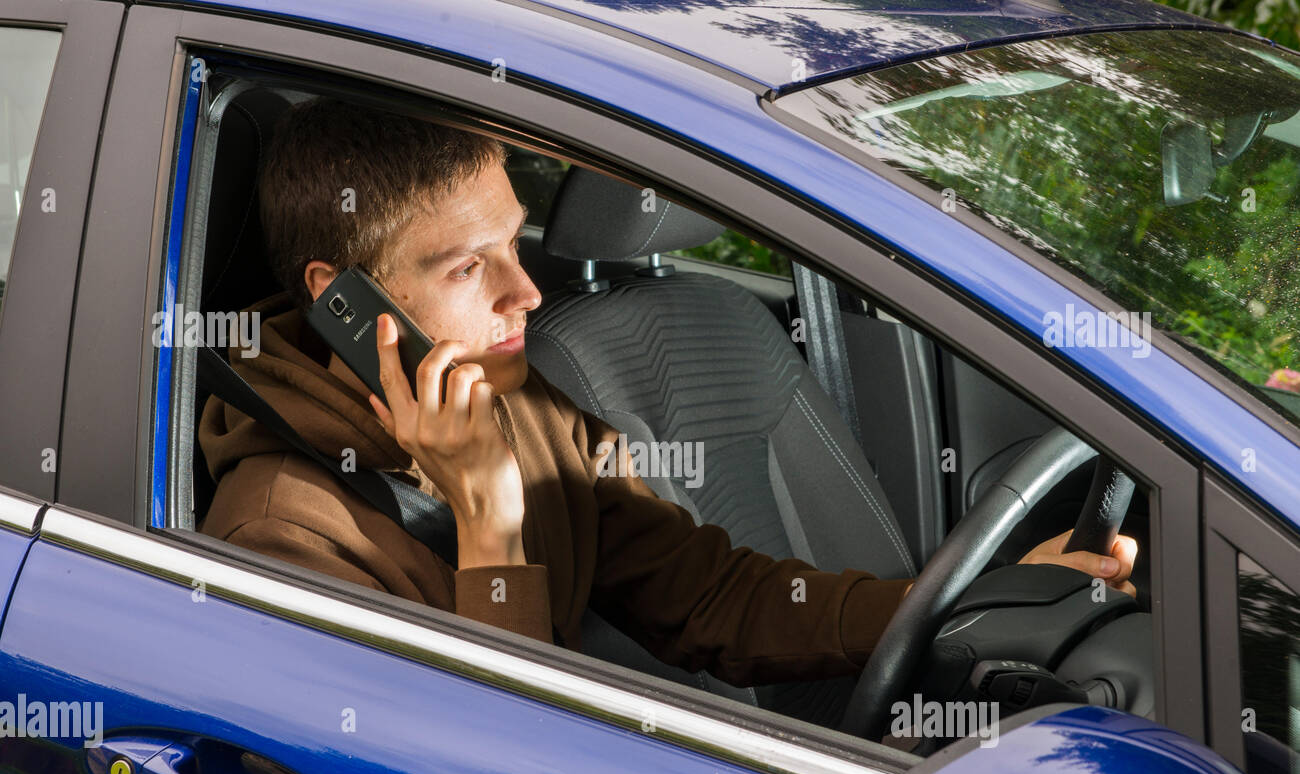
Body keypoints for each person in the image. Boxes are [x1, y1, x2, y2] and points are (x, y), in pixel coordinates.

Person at [198, 97, 1136, 701]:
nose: (526, 294)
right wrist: (490, 516)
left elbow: (714, 597)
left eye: (516, 247)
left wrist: (971, 602)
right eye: (466, 269)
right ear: (342, 299)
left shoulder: (524, 405)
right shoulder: (284, 535)